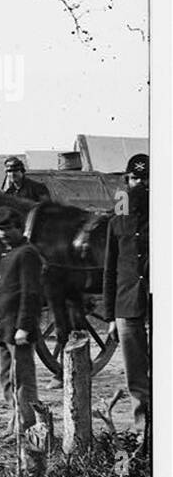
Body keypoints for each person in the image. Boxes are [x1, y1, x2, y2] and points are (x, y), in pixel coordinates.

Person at [102, 152, 150, 442]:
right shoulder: (117, 222)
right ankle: (144, 435)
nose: (139, 185)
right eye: (133, 179)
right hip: (126, 306)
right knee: (136, 379)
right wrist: (109, 317)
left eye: (145, 179)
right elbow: (109, 271)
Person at [0, 209, 43, 440]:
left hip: (18, 329)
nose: (2, 234)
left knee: (23, 380)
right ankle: (15, 424)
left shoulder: (28, 254)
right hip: (5, 327)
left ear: (19, 228)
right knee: (8, 378)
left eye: (7, 229)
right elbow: (10, 287)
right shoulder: (9, 255)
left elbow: (31, 293)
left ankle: (27, 427)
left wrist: (24, 326)